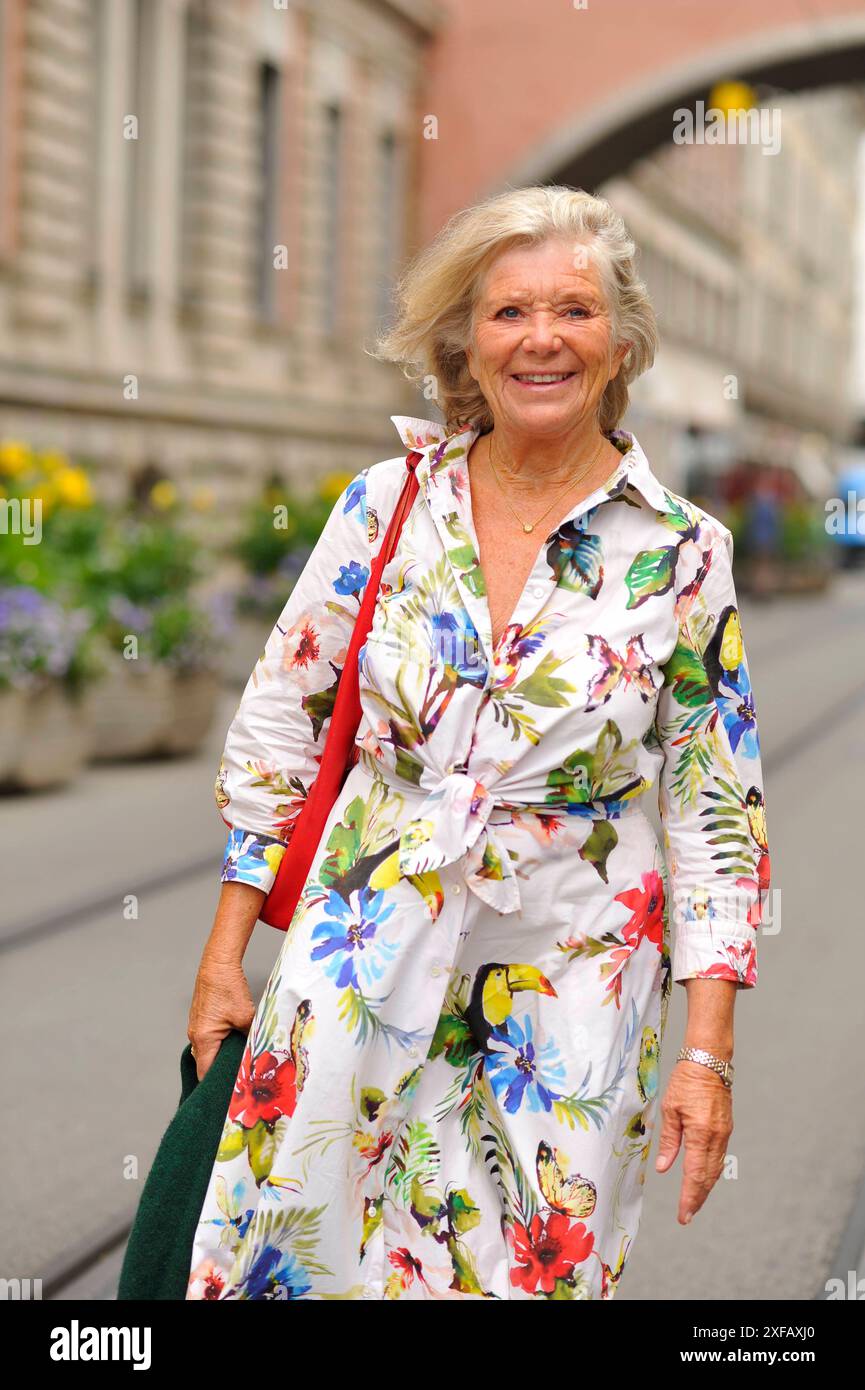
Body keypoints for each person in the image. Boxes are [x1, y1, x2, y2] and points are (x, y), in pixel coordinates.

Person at [183, 186, 770, 1301]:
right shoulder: (386, 505)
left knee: (525, 1274)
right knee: (299, 1251)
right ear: (463, 338)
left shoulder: (684, 552)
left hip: (574, 977)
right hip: (362, 945)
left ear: (621, 340)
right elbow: (282, 722)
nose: (540, 337)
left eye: (573, 311)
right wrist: (224, 958)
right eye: (507, 312)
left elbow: (713, 808)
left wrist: (705, 1052)